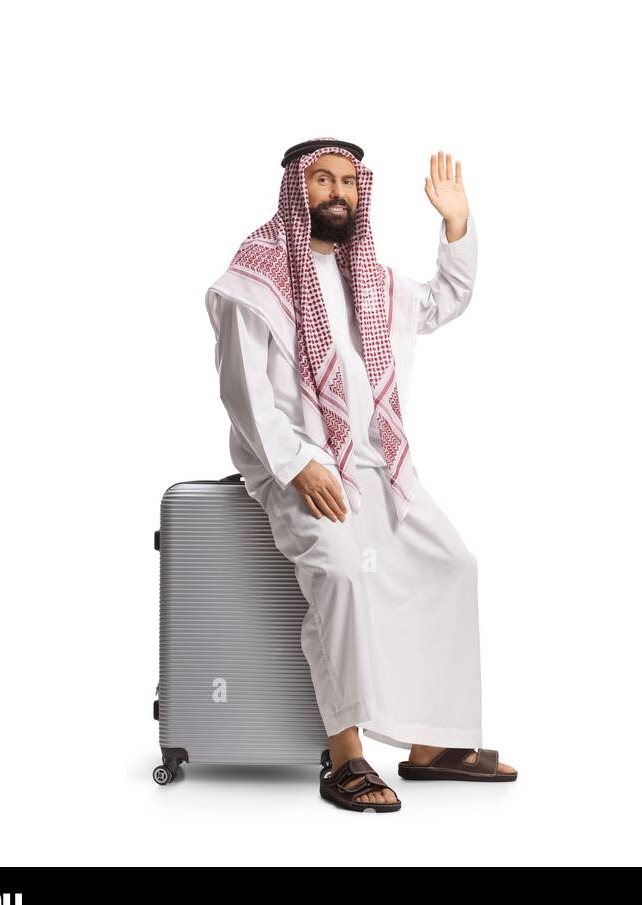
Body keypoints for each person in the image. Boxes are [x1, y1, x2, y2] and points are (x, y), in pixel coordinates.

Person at [204, 138, 515, 812]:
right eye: (322, 180)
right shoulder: (251, 282)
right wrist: (296, 466)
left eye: (349, 181)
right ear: (296, 189)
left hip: (379, 467)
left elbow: (443, 302)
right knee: (343, 574)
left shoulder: (369, 279)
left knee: (453, 565)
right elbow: (244, 393)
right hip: (302, 471)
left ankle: (435, 744)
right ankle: (346, 757)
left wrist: (456, 225)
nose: (339, 192)